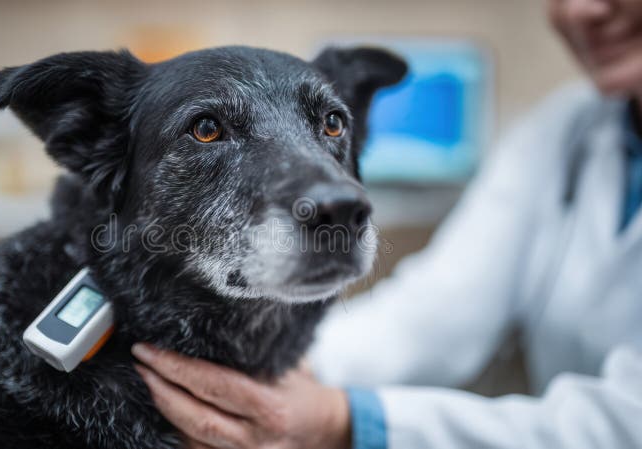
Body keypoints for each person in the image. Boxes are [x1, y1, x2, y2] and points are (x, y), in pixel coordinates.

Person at [131, 0, 642, 448]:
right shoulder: (561, 130)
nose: (581, 9)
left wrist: (345, 422)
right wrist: (268, 377)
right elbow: (439, 311)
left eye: (330, 125)